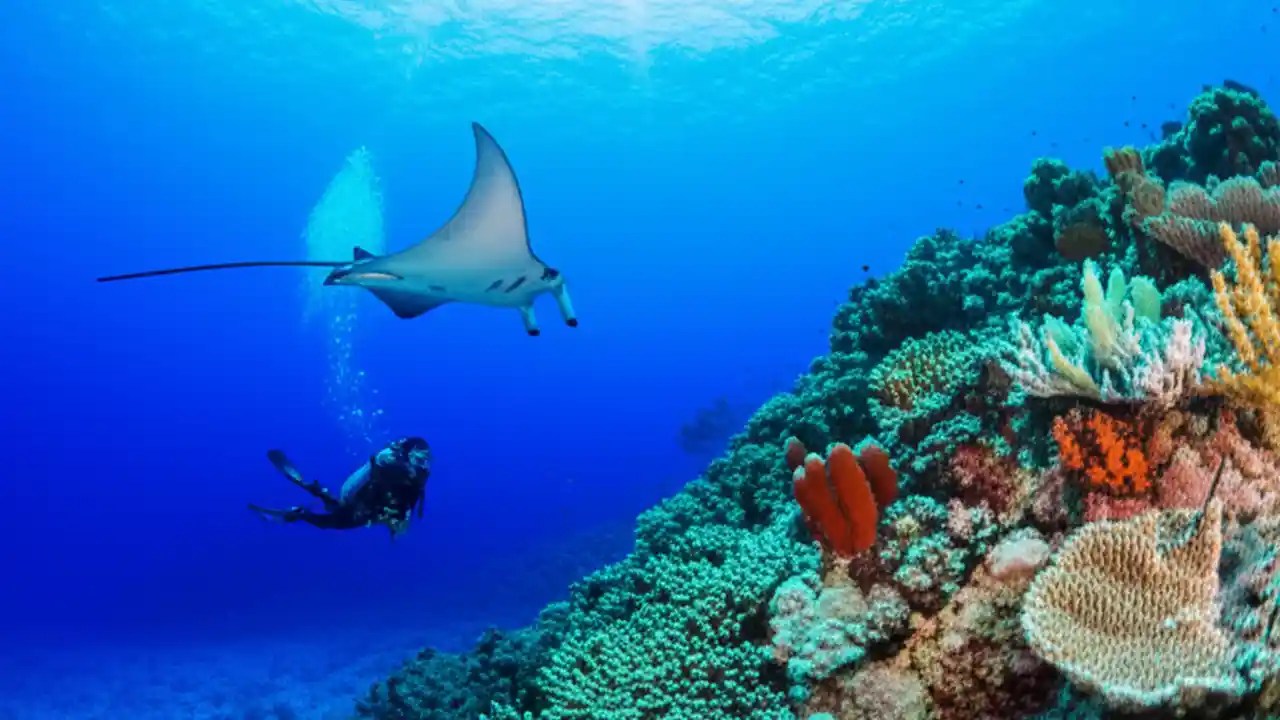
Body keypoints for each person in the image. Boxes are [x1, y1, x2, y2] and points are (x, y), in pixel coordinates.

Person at [248, 436, 431, 537]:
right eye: (419, 458)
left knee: (337, 515)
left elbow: (408, 505)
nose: (423, 464)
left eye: (425, 459)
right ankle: (302, 511)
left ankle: (318, 498)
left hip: (371, 508)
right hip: (359, 500)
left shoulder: (417, 475)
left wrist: (396, 519)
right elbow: (381, 469)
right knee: (335, 519)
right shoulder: (390, 459)